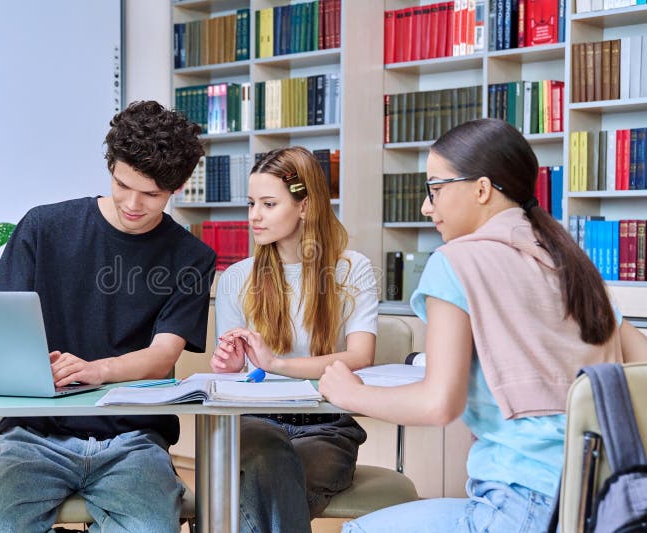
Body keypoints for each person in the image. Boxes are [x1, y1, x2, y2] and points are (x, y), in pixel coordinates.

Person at [319, 118, 647, 533]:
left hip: (522, 504)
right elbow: (639, 369)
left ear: (482, 189)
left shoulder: (455, 263)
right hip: (597, 501)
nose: (426, 207)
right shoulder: (570, 263)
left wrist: (351, 393)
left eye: (435, 189)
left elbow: (438, 403)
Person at [0, 100, 216, 532]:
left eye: (151, 194)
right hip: (33, 436)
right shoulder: (43, 227)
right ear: (111, 166)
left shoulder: (192, 257)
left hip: (134, 440)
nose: (133, 203)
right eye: (122, 184)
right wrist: (23, 366)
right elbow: (0, 331)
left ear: (176, 188)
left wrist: (96, 371)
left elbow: (162, 356)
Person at [211, 146, 378, 533]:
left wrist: (277, 364)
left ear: (304, 206)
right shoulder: (237, 277)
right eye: (251, 203)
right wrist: (231, 366)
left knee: (255, 483)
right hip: (256, 423)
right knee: (267, 460)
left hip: (326, 427)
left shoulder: (352, 268)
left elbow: (360, 355)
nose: (254, 215)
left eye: (269, 204)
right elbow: (235, 378)